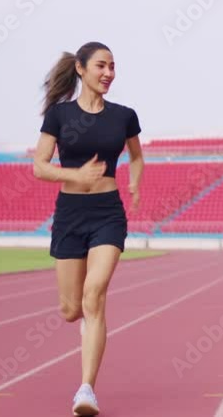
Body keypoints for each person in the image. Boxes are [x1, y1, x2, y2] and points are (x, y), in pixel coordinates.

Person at [32, 41, 144, 416]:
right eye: (101, 65)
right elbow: (40, 166)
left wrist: (135, 183)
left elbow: (137, 154)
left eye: (113, 66)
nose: (109, 73)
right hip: (70, 214)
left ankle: (86, 391)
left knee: (94, 295)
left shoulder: (124, 115)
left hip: (108, 213)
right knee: (70, 309)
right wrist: (75, 174)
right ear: (80, 69)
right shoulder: (59, 116)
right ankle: (86, 324)